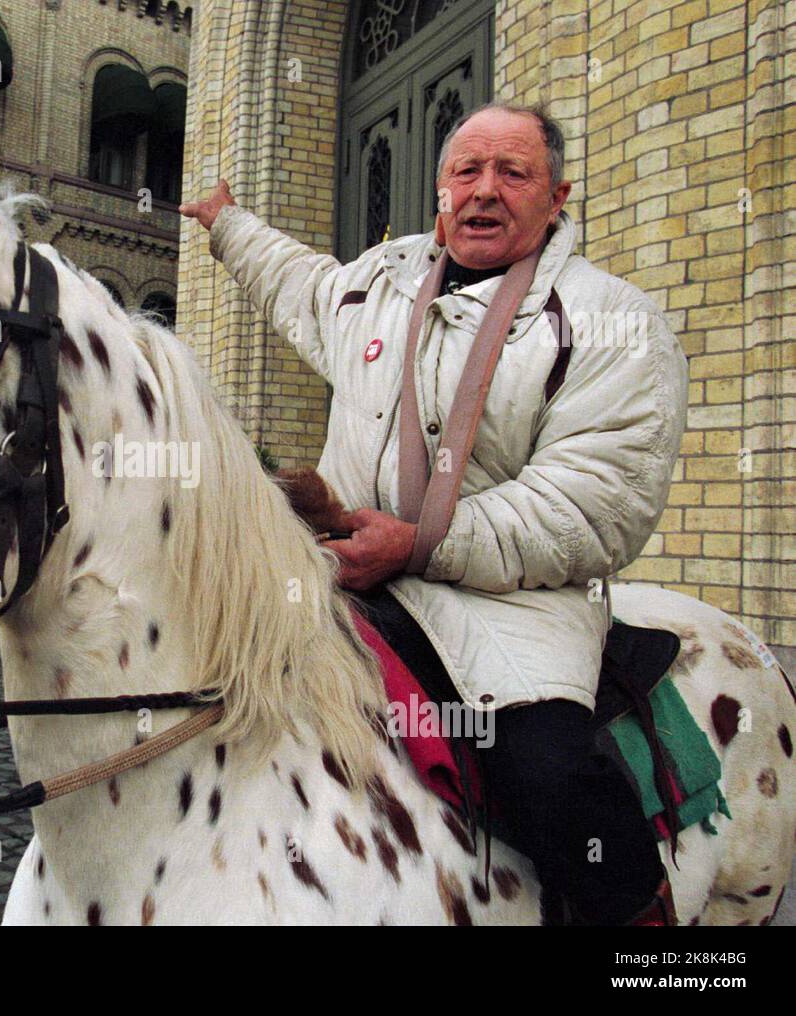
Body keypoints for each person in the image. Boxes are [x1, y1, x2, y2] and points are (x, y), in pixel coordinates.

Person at [181, 102, 689, 925]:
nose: (485, 191)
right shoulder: (377, 287)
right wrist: (227, 223)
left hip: (509, 610)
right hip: (342, 577)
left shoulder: (616, 323)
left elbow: (594, 507)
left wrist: (423, 545)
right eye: (467, 172)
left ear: (558, 198)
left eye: (513, 173)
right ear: (440, 195)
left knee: (552, 779)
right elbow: (296, 283)